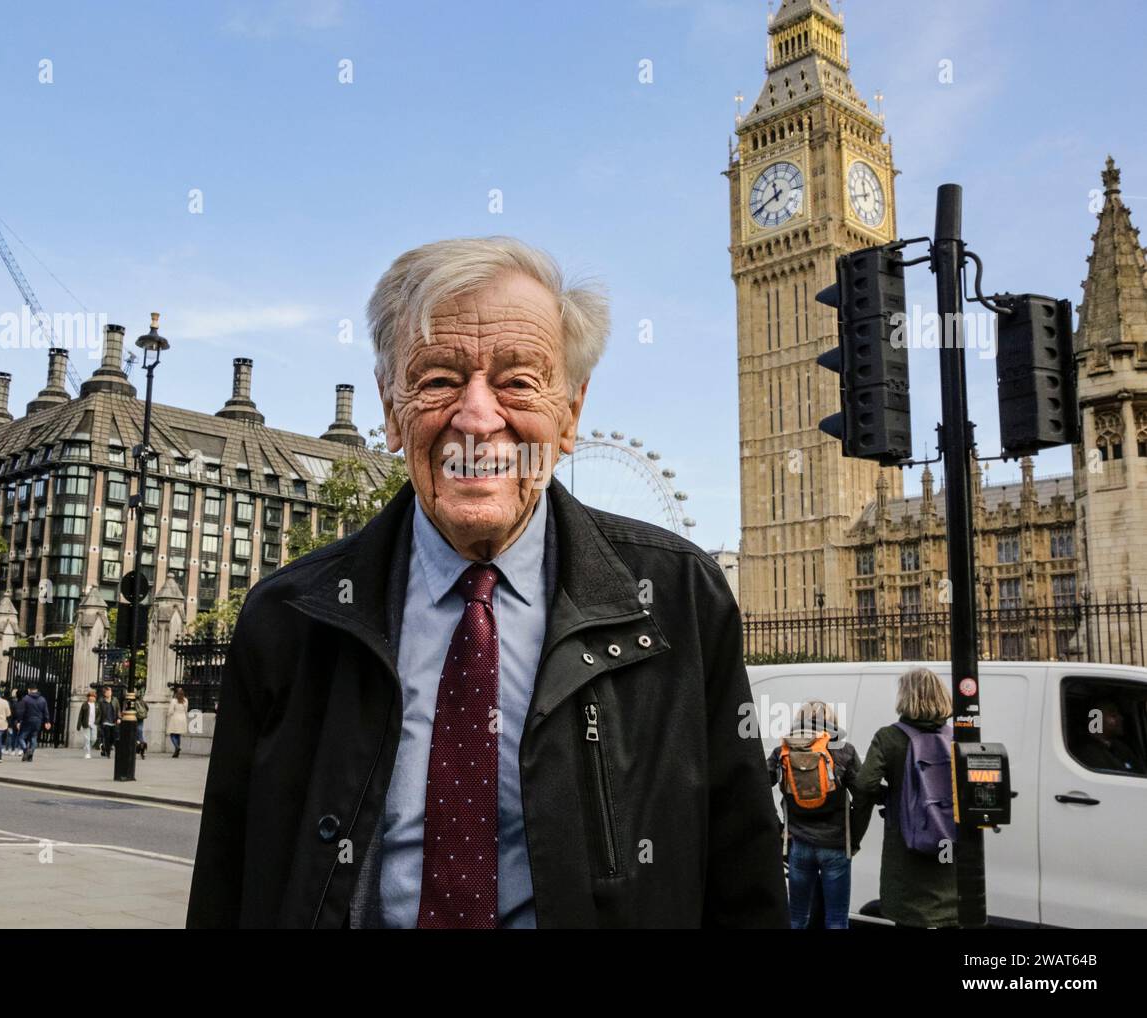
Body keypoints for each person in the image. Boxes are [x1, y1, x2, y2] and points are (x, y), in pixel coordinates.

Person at [188, 237, 787, 929]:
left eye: (519, 381)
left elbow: (744, 877)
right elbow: (226, 886)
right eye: (439, 378)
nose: (477, 417)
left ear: (571, 411)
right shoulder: (289, 618)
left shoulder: (680, 598)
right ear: (389, 406)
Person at [850, 666, 957, 929]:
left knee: (909, 915)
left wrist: (887, 796)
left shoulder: (889, 737)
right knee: (950, 913)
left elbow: (864, 784)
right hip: (950, 841)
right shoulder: (958, 737)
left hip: (906, 842)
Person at [767, 700, 868, 929]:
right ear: (832, 721)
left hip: (798, 844)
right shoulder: (844, 750)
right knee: (836, 918)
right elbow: (863, 795)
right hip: (836, 845)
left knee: (797, 917)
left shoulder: (782, 750)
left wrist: (780, 829)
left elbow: (757, 786)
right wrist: (853, 837)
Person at [16, 684, 53, 762]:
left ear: (29, 690)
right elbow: (46, 711)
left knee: (21, 737)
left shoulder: (26, 699)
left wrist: (19, 721)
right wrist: (47, 721)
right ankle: (31, 754)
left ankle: (26, 751)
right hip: (38, 721)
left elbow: (21, 711)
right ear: (37, 690)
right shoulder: (42, 699)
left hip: (27, 720)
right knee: (34, 737)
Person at [97, 685, 120, 757]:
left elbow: (118, 709)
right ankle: (108, 752)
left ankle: (105, 747)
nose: (110, 693)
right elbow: (98, 712)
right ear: (105, 693)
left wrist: (119, 718)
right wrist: (98, 721)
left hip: (113, 722)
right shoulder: (101, 701)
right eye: (108, 692)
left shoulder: (115, 700)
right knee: (107, 737)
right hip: (105, 722)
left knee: (113, 738)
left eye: (110, 691)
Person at [166, 687, 189, 758]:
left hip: (175, 718)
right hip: (182, 718)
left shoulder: (174, 701)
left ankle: (177, 747)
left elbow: (171, 711)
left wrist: (168, 715)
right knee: (178, 735)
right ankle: (176, 753)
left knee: (172, 734)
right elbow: (186, 710)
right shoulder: (185, 700)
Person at [76, 690, 99, 759]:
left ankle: (87, 746)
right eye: (90, 696)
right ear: (88, 697)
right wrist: (79, 725)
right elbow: (81, 715)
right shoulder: (84, 704)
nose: (92, 698)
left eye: (93, 697)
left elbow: (99, 715)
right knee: (87, 739)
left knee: (94, 739)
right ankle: (88, 753)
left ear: (95, 698)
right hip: (86, 724)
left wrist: (97, 722)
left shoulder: (97, 705)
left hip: (94, 724)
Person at [3, 687, 22, 756]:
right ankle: (19, 749)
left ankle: (10, 749)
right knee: (20, 736)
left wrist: (9, 723)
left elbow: (10, 714)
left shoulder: (11, 702)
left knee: (11, 735)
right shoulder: (23, 702)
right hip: (20, 720)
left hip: (14, 721)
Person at [134, 693, 149, 760]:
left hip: (133, 718)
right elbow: (147, 708)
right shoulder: (142, 701)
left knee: (136, 733)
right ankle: (142, 746)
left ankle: (140, 745)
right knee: (139, 731)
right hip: (141, 718)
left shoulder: (132, 701)